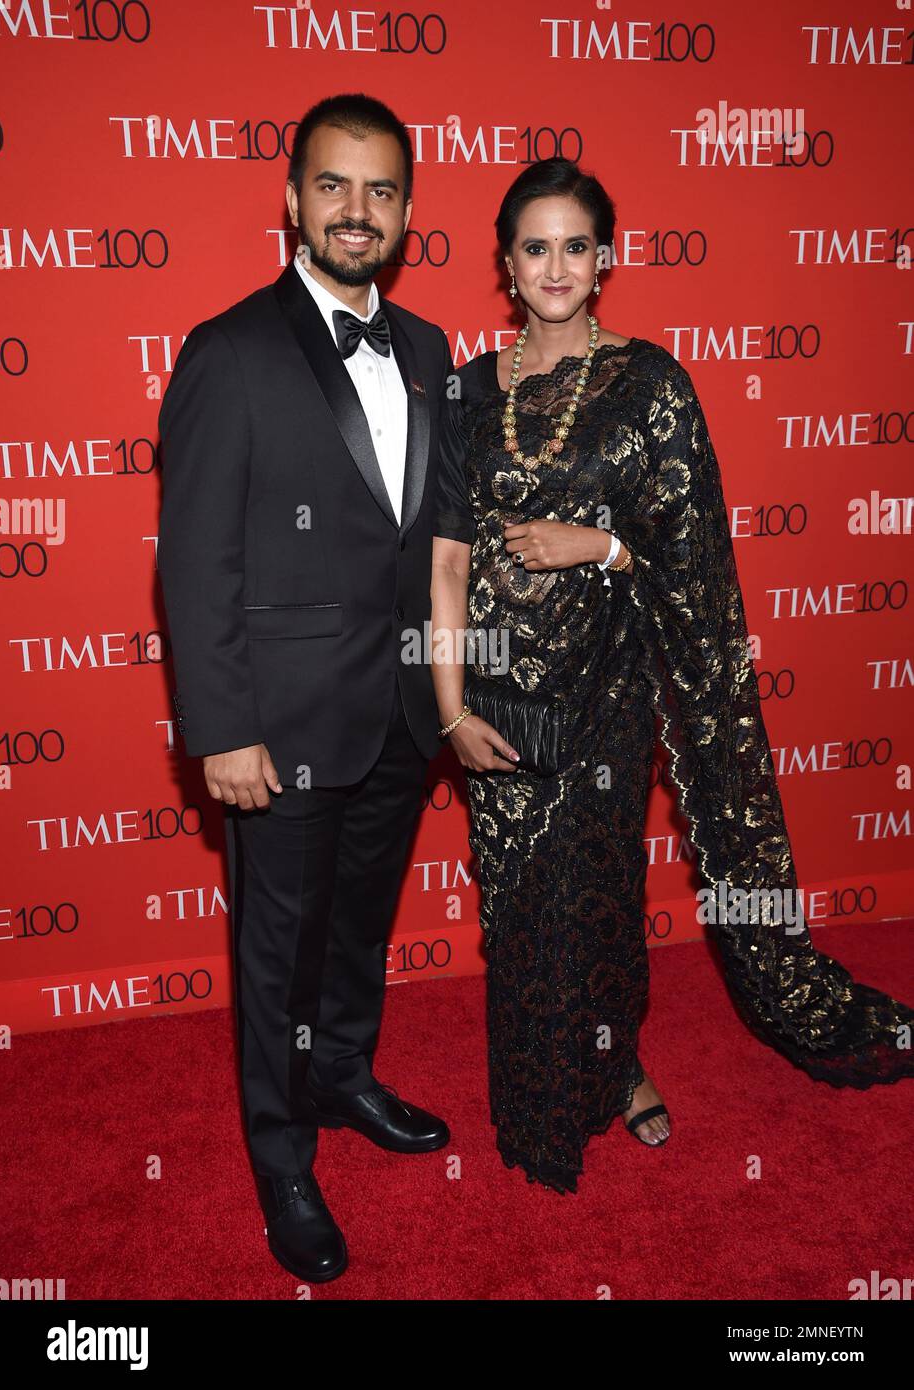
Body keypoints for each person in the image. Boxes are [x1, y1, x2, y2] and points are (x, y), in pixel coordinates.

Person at [430, 157, 914, 1196]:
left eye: (573, 245)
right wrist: (450, 704)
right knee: (516, 908)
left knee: (597, 896)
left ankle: (614, 1068)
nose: (554, 266)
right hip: (496, 691)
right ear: (505, 265)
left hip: (606, 692)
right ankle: (537, 1098)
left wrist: (595, 547)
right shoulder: (467, 390)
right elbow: (443, 559)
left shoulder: (651, 385)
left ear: (602, 260)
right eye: (532, 246)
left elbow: (692, 561)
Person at [157, 93, 471, 1281]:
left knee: (355, 931)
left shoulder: (435, 349)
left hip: (396, 714)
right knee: (277, 953)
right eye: (333, 185)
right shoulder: (228, 350)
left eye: (381, 189)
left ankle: (343, 1078)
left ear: (405, 212)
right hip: (276, 728)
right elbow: (193, 561)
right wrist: (223, 730)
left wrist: (448, 697)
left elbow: (435, 545)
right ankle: (280, 1154)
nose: (357, 209)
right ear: (291, 199)